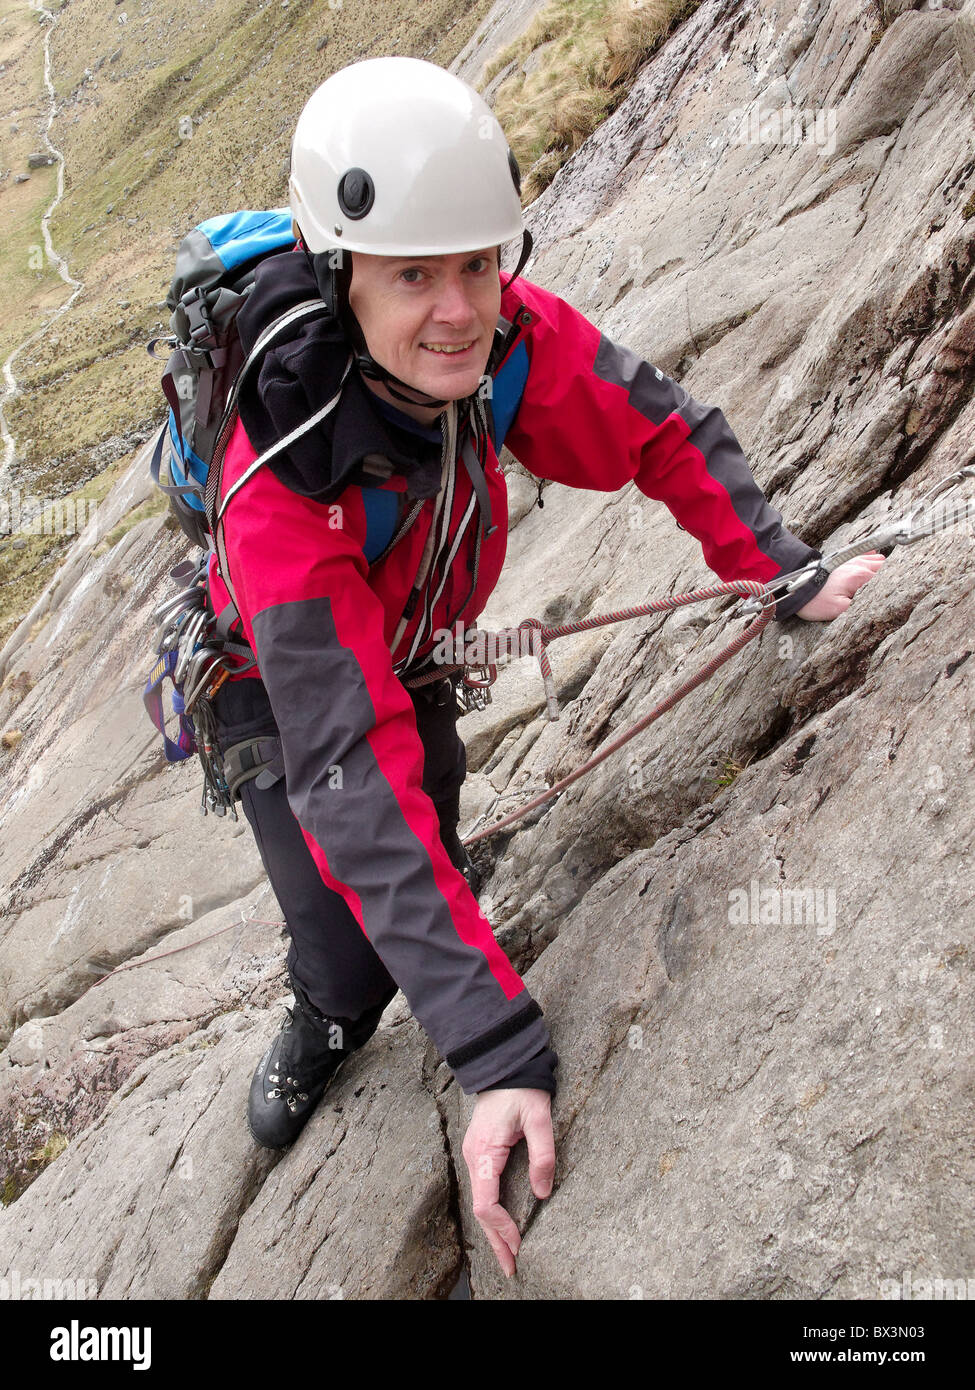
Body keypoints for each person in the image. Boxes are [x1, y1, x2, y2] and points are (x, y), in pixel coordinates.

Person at [205, 55, 884, 1279]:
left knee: (433, 829)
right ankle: (320, 1010)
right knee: (356, 938)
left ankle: (420, 938)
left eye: (478, 261)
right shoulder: (285, 477)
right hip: (278, 677)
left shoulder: (502, 339)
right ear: (337, 274)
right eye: (415, 273)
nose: (461, 307)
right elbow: (349, 772)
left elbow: (660, 426)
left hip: (409, 647)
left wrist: (781, 568)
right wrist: (499, 1051)